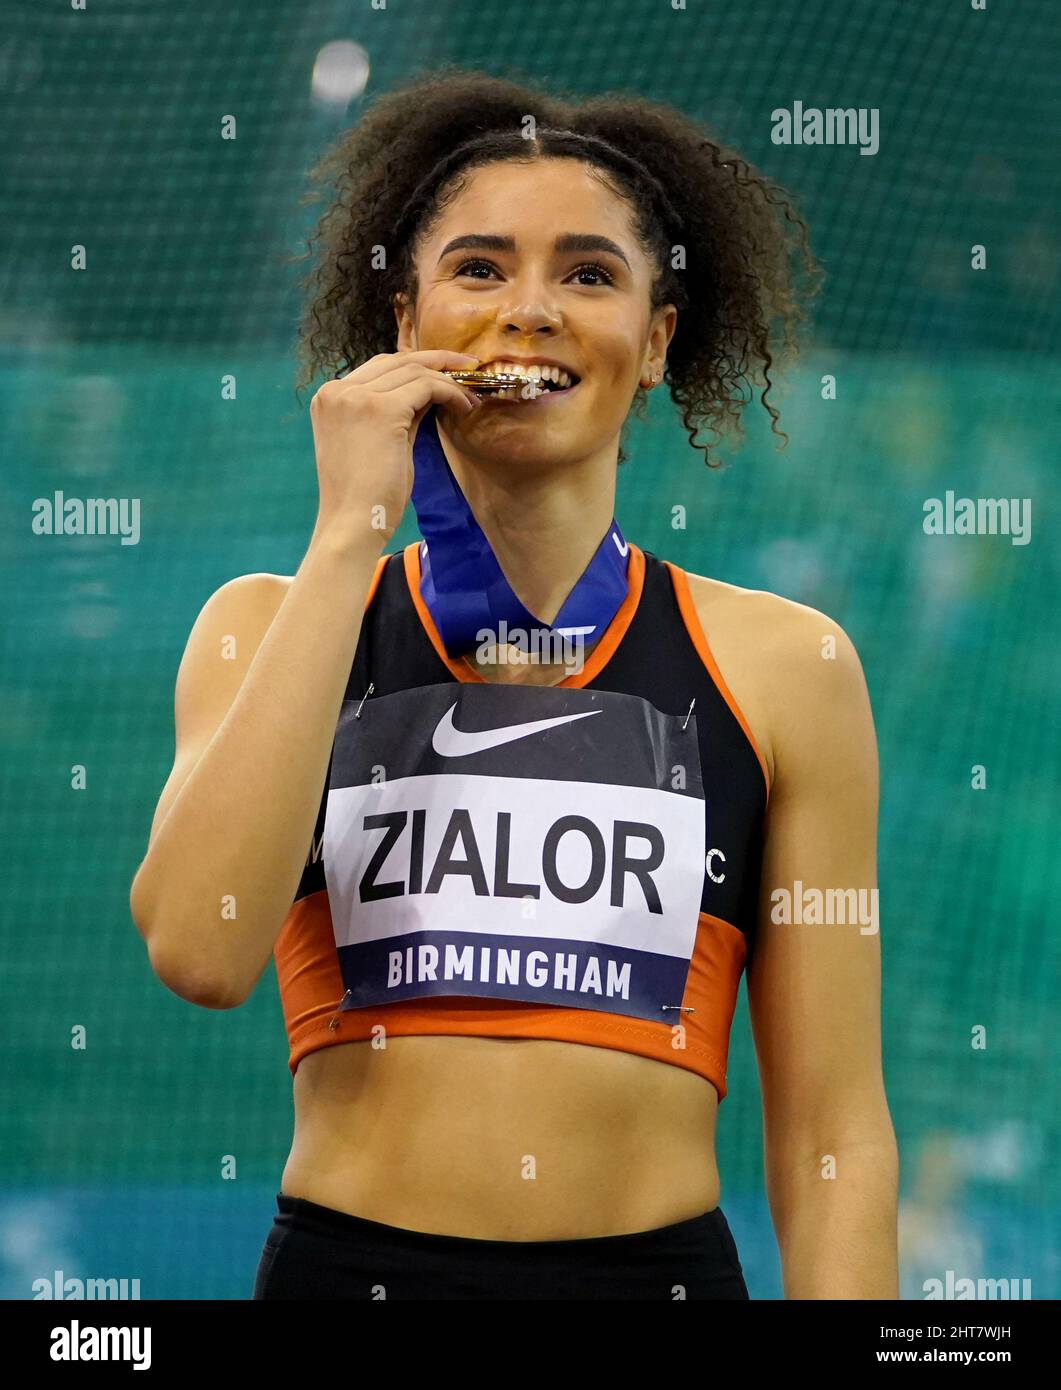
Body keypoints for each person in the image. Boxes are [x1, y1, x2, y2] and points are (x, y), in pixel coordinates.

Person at [129, 69, 898, 1300]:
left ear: (655, 344)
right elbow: (199, 951)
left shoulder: (788, 670)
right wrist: (346, 538)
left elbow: (831, 1137)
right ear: (402, 326)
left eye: (589, 274)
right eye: (478, 270)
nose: (529, 309)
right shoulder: (265, 628)